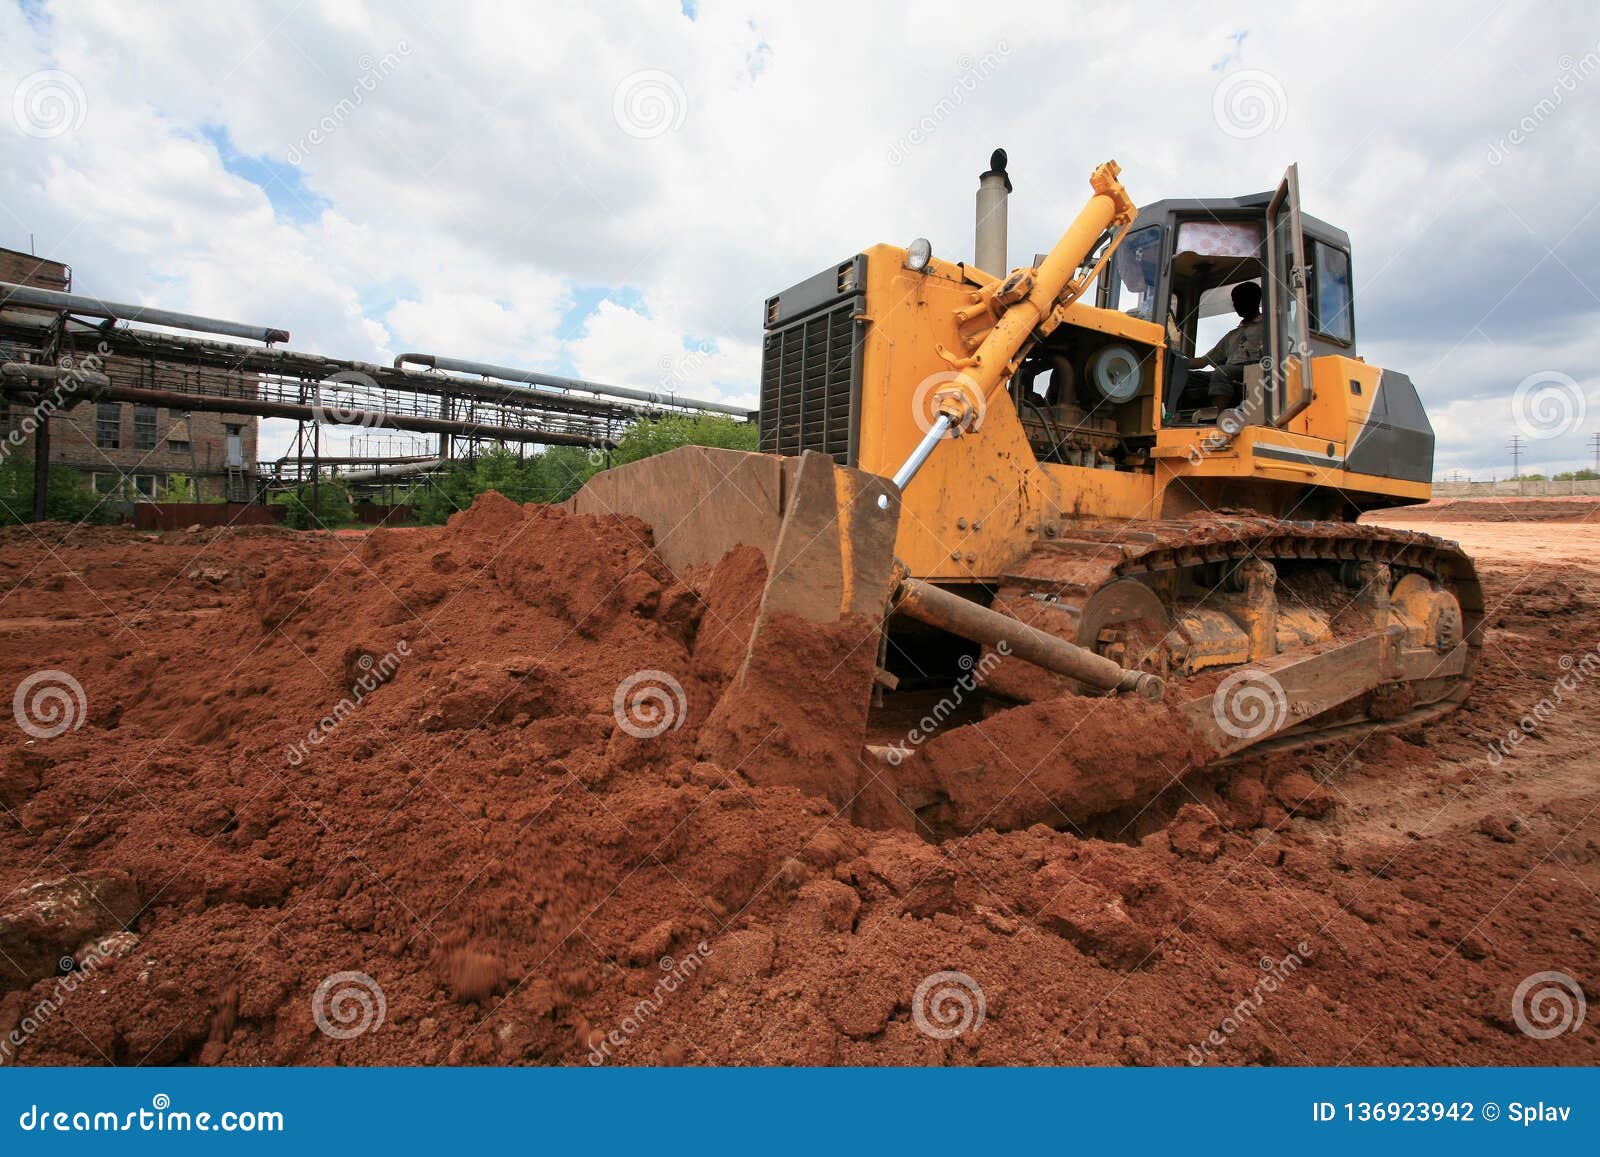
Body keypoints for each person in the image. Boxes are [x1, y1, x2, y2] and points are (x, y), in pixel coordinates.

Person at [1185, 281, 1264, 407]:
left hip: (1256, 372)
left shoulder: (1267, 328)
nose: (1237, 305)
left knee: (1221, 372)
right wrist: (1176, 362)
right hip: (1229, 373)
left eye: (1241, 300)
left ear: (1255, 300)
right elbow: (1203, 361)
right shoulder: (1232, 335)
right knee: (1188, 377)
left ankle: (1222, 418)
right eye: (1235, 301)